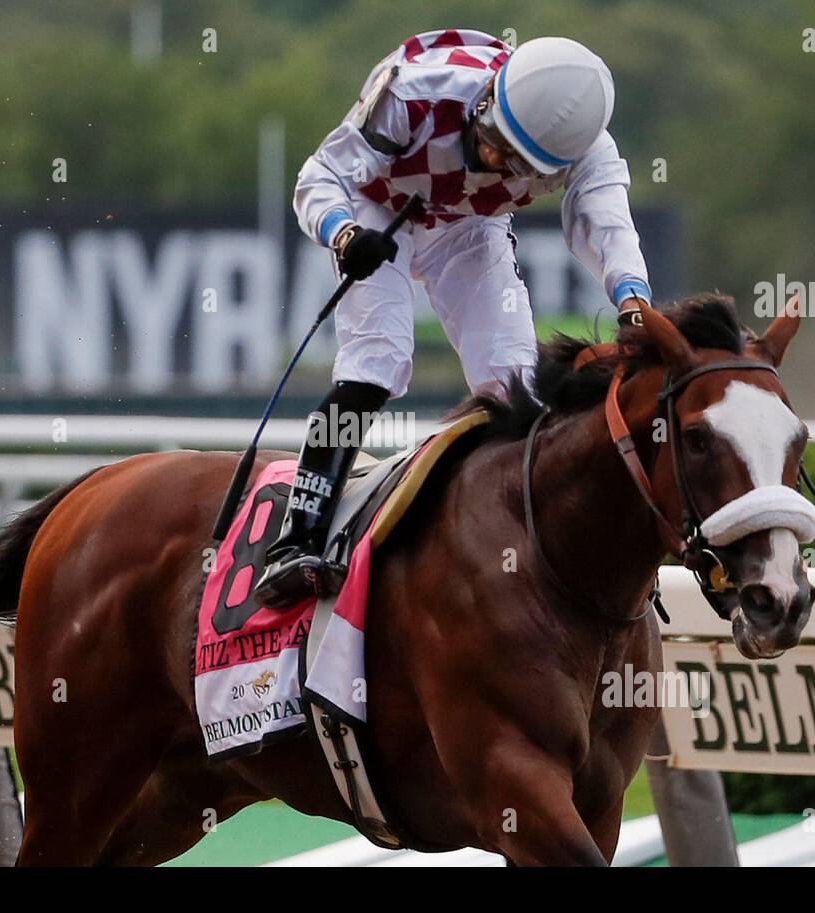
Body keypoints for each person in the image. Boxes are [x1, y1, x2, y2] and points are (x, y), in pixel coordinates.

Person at [253, 29, 654, 608]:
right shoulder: (416, 90)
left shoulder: (586, 147)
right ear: (488, 97)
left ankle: (530, 543)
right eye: (494, 140)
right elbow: (319, 178)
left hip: (469, 227)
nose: (492, 160)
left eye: (516, 163)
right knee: (377, 360)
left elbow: (608, 226)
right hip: (377, 207)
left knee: (516, 382)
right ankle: (296, 539)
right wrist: (342, 233)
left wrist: (633, 301)